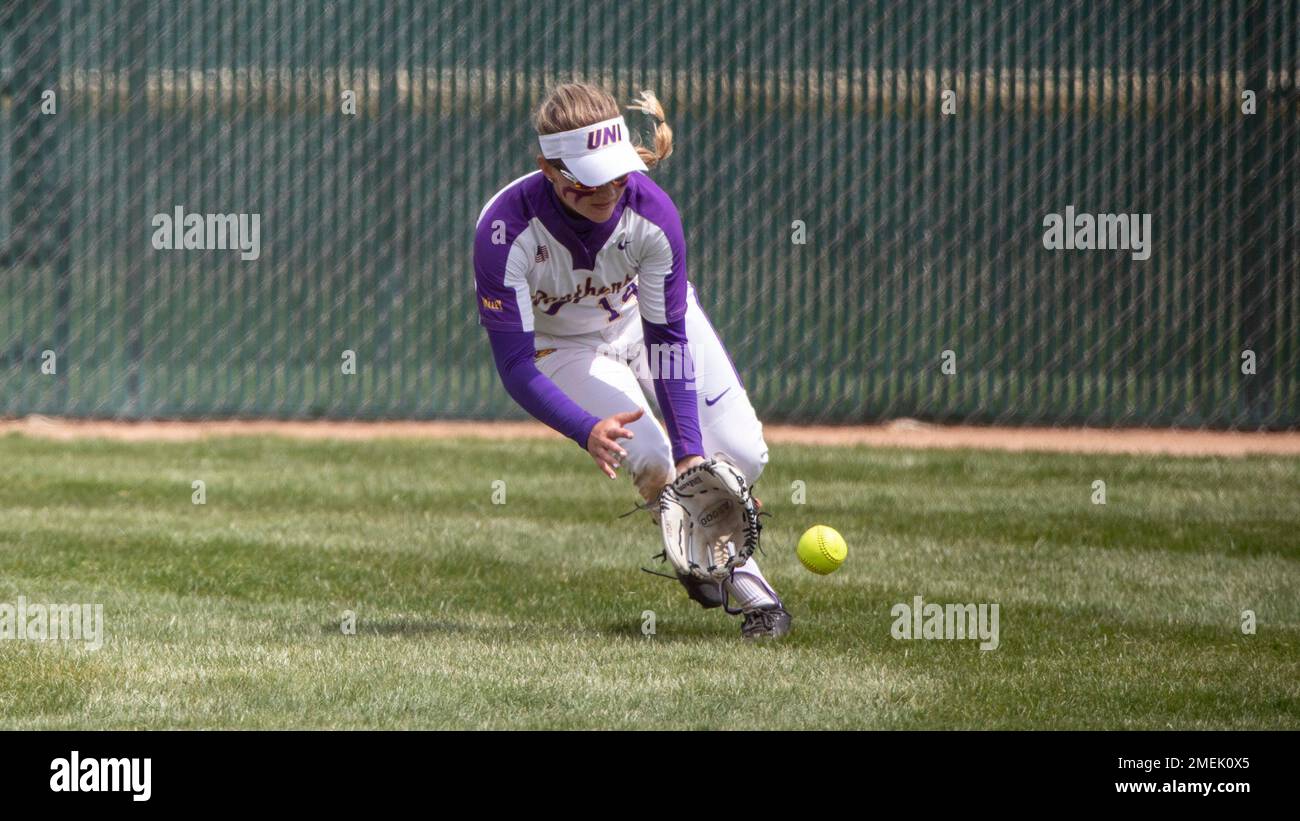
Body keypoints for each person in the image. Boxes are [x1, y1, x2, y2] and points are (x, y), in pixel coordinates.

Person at [472, 82, 790, 638]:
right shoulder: (505, 230)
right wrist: (586, 428)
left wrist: (693, 452)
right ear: (550, 168)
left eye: (617, 170)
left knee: (740, 455)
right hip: (564, 347)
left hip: (642, 324)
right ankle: (756, 599)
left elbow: (665, 336)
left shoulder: (651, 213)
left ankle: (695, 542)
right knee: (650, 457)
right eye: (593, 175)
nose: (612, 186)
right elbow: (516, 365)